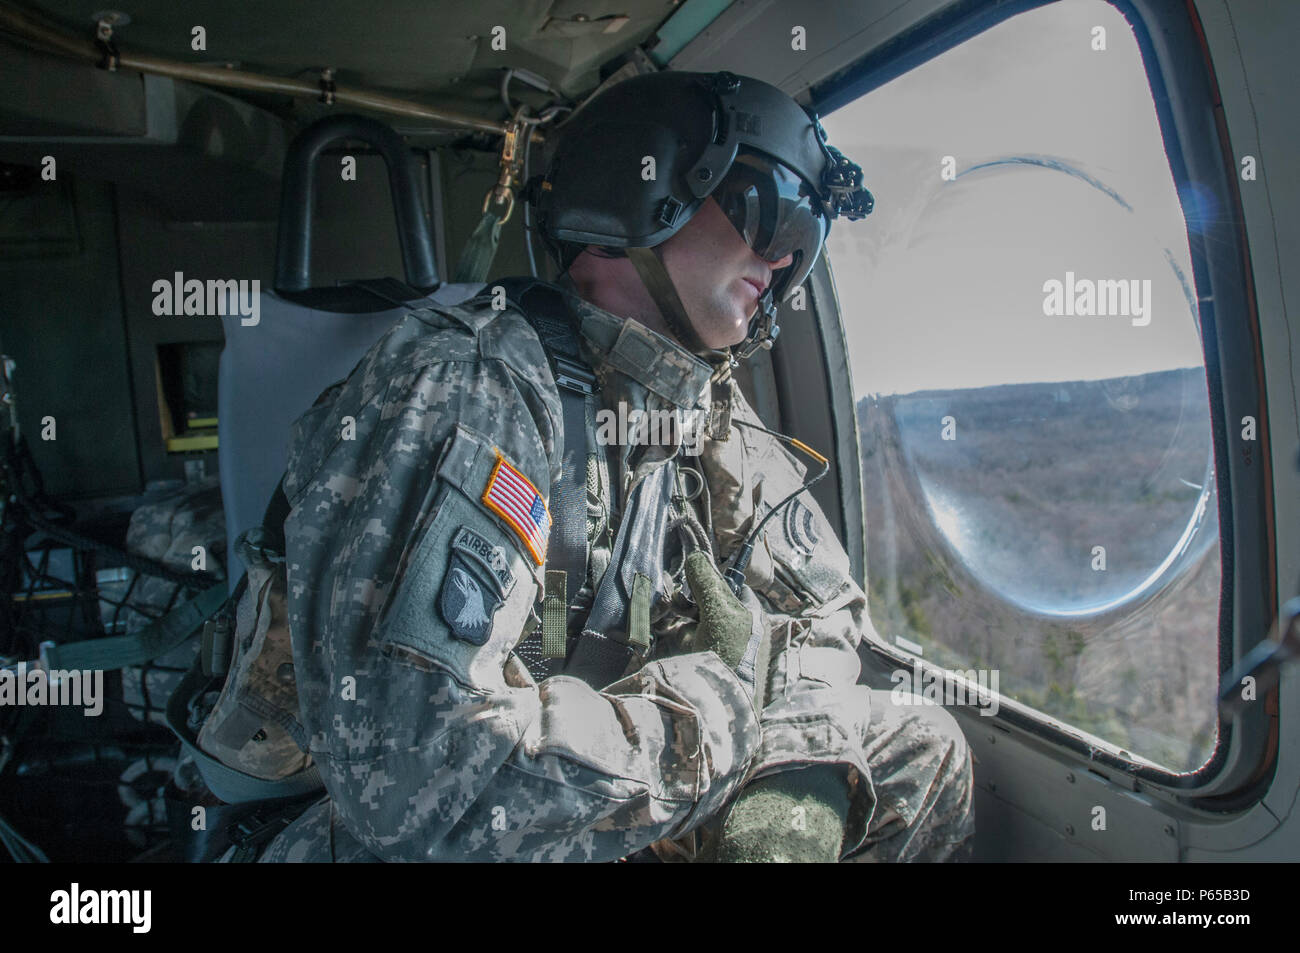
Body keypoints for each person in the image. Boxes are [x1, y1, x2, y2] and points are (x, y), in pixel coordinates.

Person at [260, 70, 974, 863]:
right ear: (636, 194)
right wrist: (719, 716)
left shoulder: (702, 406)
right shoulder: (473, 387)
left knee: (920, 745)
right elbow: (422, 780)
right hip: (434, 832)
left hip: (610, 780)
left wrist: (797, 770)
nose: (782, 258)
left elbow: (825, 611)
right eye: (768, 210)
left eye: (804, 239)